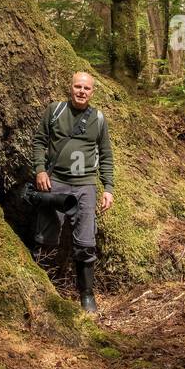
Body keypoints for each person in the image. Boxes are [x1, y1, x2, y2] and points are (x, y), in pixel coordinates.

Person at [32, 71, 114, 313]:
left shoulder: (98, 119)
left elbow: (106, 155)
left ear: (92, 92)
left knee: (85, 241)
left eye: (86, 88)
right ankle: (41, 288)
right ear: (70, 88)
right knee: (44, 237)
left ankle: (87, 295)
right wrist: (40, 170)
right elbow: (39, 141)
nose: (81, 91)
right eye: (78, 86)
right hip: (54, 182)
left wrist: (108, 187)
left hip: (86, 186)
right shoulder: (55, 111)